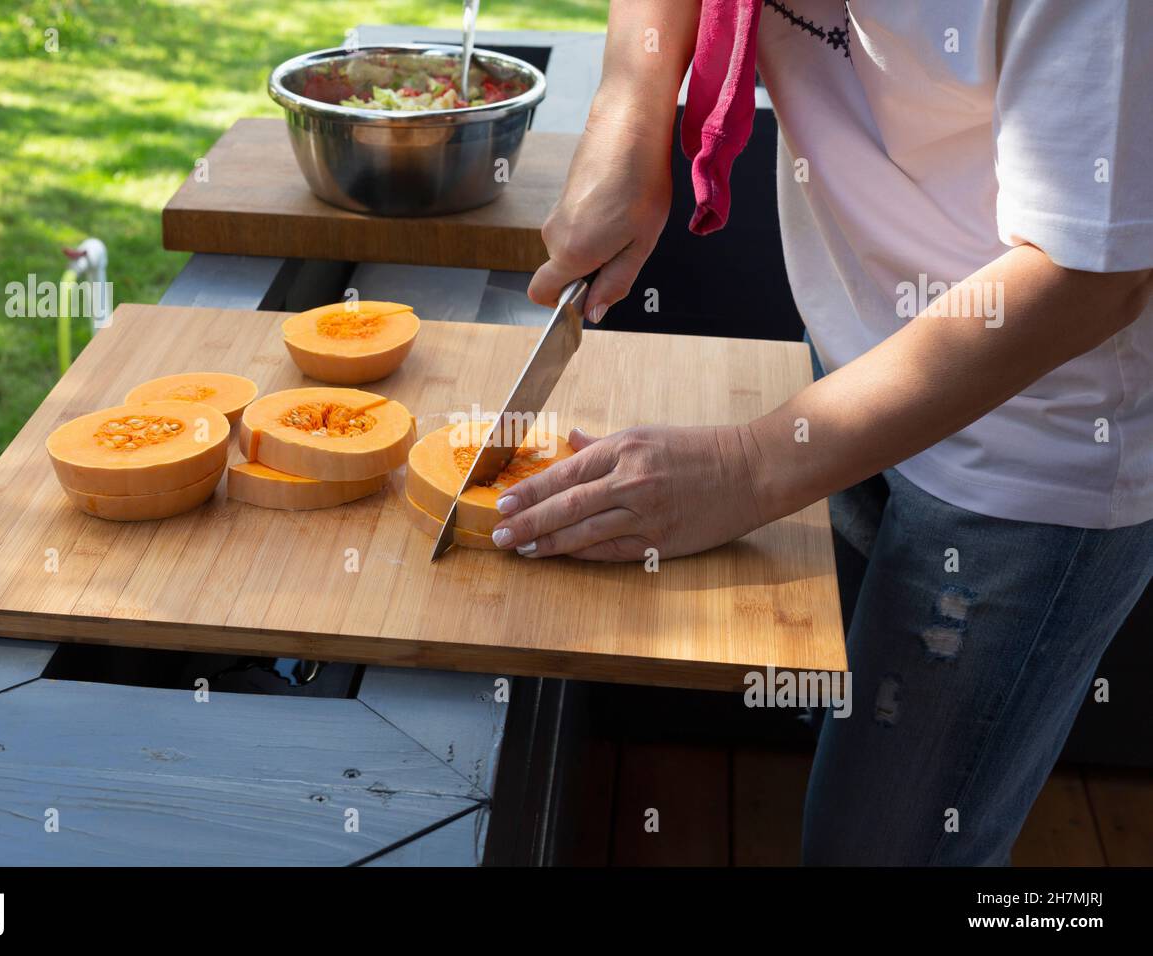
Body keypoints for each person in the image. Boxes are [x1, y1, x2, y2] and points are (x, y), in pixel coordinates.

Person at [489, 0, 1153, 864]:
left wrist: (749, 467)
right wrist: (630, 107)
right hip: (848, 361)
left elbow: (1090, 279)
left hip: (1031, 448)